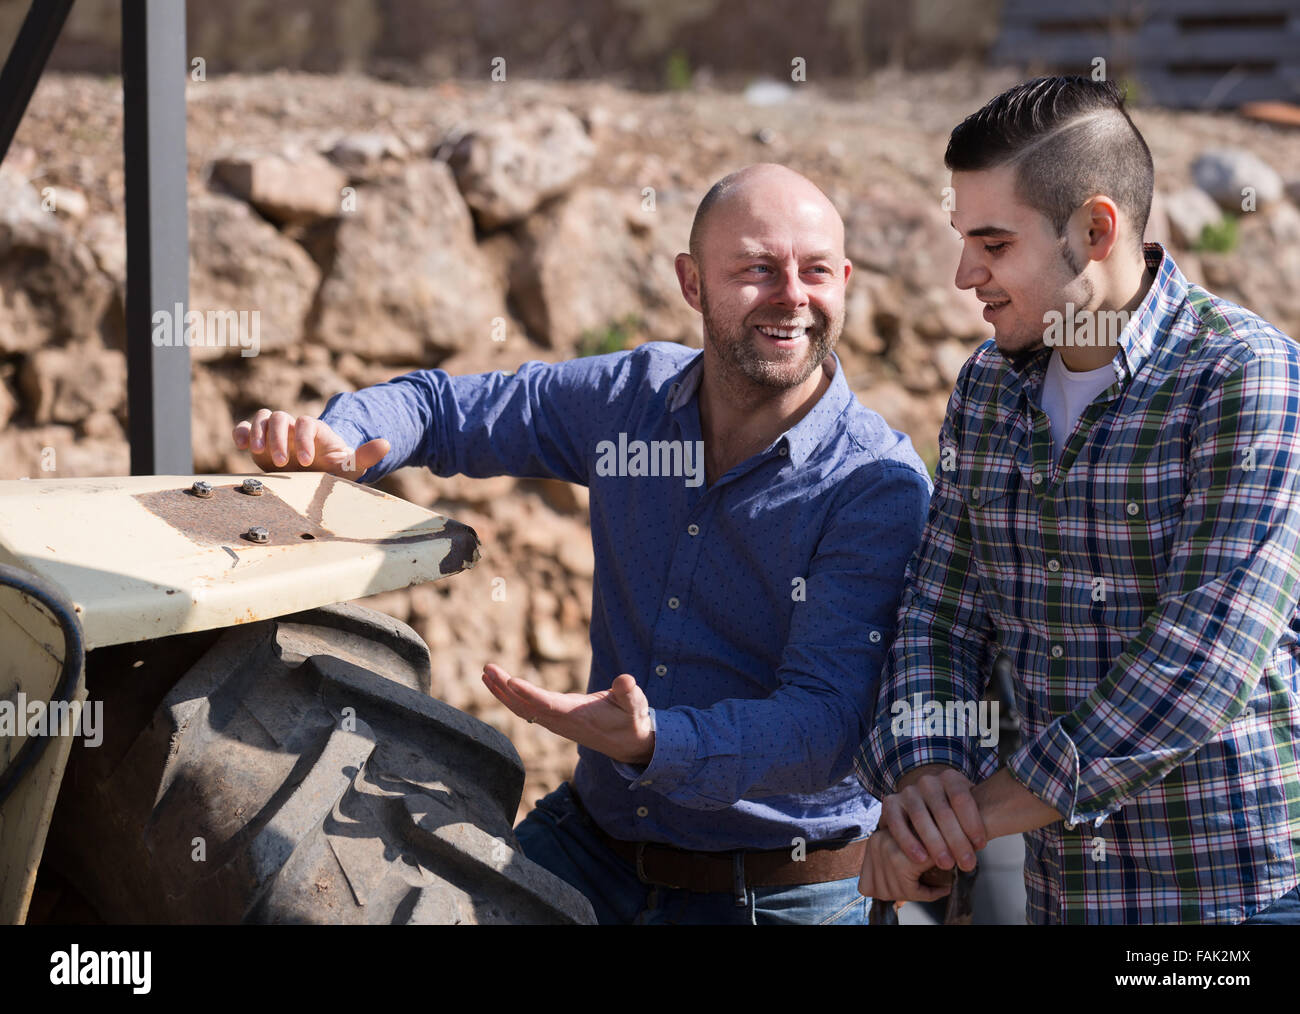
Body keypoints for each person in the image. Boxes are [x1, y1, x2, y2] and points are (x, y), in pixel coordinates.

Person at [234, 163, 931, 924]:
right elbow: (443, 408)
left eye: (816, 272)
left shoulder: (877, 485)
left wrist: (658, 742)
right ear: (692, 283)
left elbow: (827, 723)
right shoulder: (629, 401)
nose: (793, 296)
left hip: (780, 890)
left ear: (846, 280)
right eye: (758, 270)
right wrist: (344, 433)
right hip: (593, 847)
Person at [854, 75, 1300, 924]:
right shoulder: (986, 389)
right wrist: (927, 773)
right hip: (1066, 901)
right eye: (963, 238)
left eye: (993, 242)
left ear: (1095, 230)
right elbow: (940, 616)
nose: (962, 274)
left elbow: (1197, 671)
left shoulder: (1245, 377)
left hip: (1241, 902)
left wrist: (962, 826)